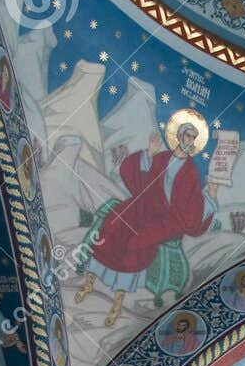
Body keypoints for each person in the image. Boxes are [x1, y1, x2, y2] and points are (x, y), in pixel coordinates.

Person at [75, 118, 218, 327]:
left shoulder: (191, 171)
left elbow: (191, 206)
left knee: (136, 242)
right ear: (179, 136)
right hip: (143, 204)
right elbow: (138, 177)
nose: (190, 141)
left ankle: (118, 300)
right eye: (187, 136)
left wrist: (211, 197)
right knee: (113, 223)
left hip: (168, 218)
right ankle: (89, 281)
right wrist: (149, 154)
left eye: (194, 138)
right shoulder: (162, 157)